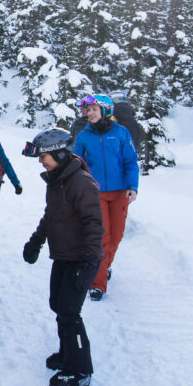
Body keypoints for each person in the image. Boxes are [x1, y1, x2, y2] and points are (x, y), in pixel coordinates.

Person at [21, 127, 103, 386]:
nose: (41, 161)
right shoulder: (58, 180)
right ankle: (67, 353)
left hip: (80, 258)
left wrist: (90, 263)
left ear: (58, 152)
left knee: (69, 312)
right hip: (63, 256)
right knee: (58, 305)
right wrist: (36, 241)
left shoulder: (80, 182)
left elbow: (94, 224)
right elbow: (51, 216)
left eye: (44, 156)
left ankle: (81, 370)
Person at [72, 94, 139, 301]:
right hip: (96, 192)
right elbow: (77, 163)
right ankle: (97, 283)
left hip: (120, 192)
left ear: (105, 111)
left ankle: (105, 265)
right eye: (88, 110)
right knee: (103, 237)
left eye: (94, 109)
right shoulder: (84, 136)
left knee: (117, 236)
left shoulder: (121, 133)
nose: (90, 113)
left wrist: (132, 186)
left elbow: (130, 161)